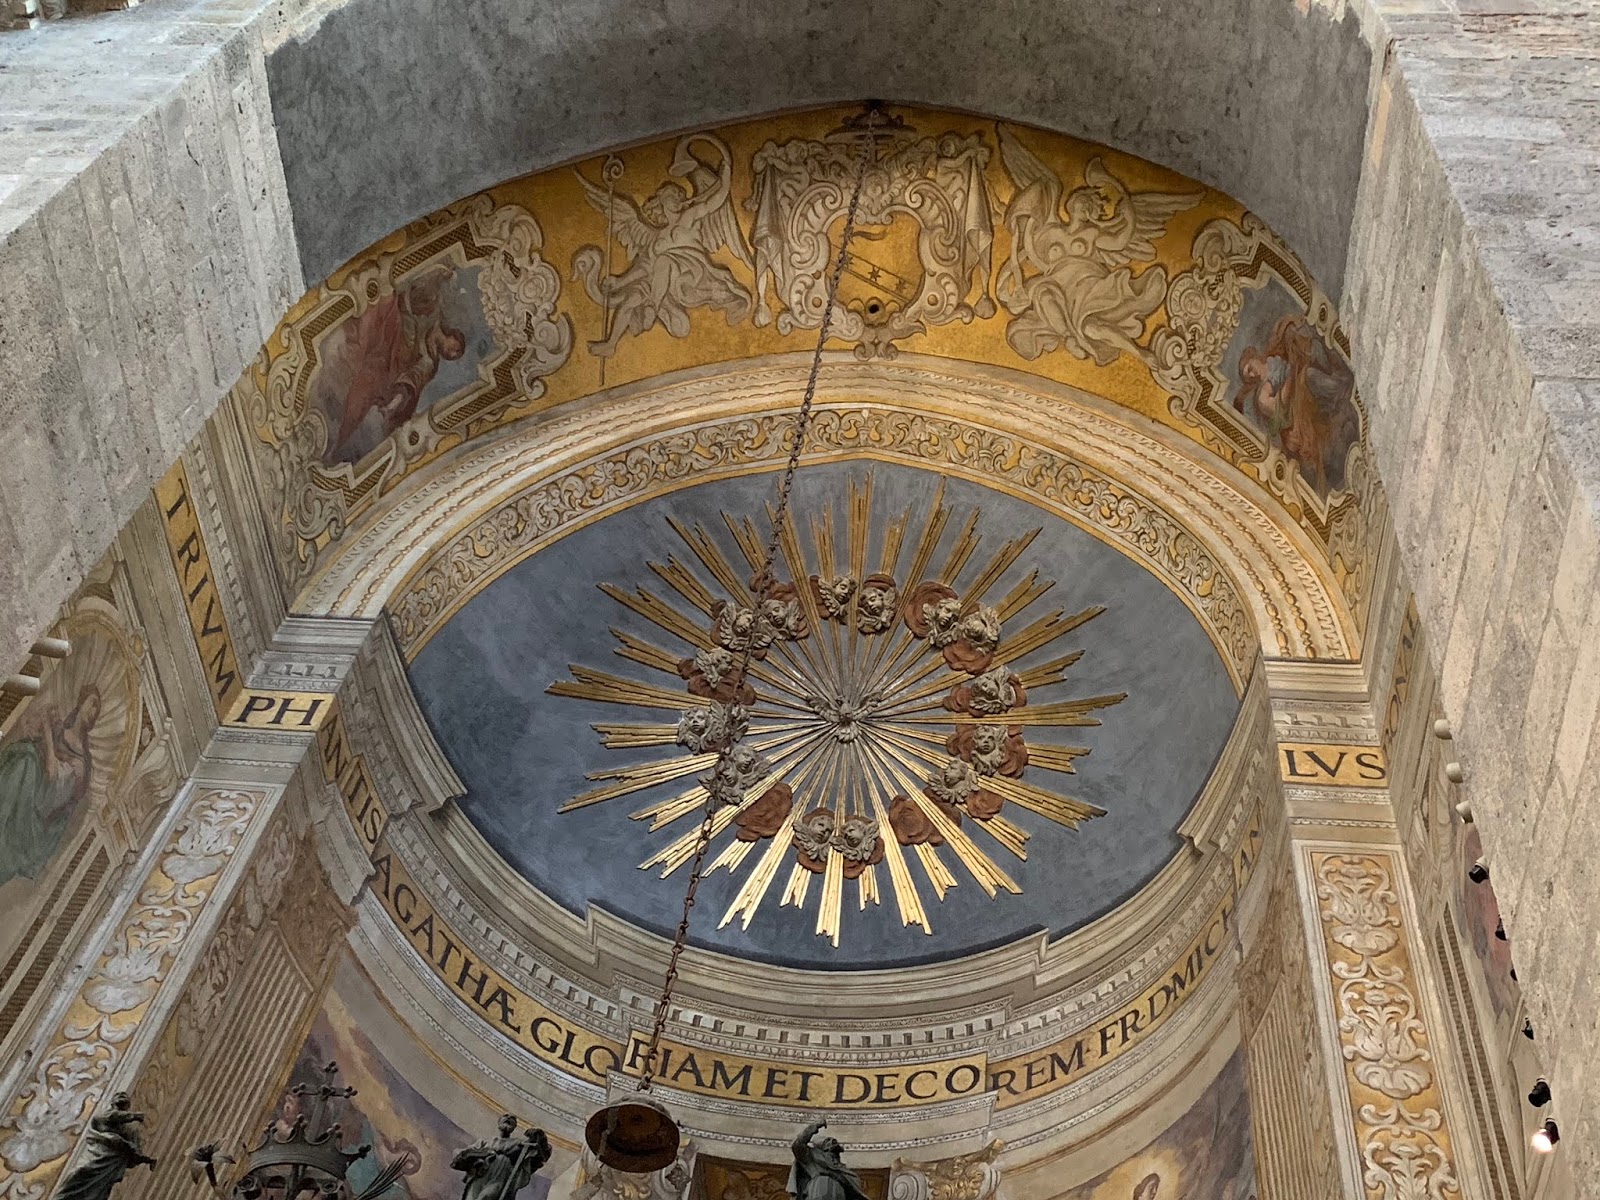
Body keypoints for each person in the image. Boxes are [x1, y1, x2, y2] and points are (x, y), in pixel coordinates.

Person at [0, 684, 101, 887]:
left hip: (39, 807)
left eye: (97, 709)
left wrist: (46, 732)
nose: (94, 711)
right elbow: (33, 739)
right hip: (29, 783)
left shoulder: (83, 760)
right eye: (93, 704)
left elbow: (54, 776)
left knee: (27, 762)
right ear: (81, 702)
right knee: (25, 757)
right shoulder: (58, 730)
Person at [55, 1092, 157, 1200]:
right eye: (119, 1097)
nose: (121, 1100)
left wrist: (137, 1155)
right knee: (79, 1172)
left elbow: (134, 1150)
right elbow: (109, 1117)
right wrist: (134, 1116)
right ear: (113, 1102)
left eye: (124, 1099)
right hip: (98, 1151)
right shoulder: (104, 1115)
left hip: (113, 1161)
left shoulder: (131, 1129)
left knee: (100, 1189)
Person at [451, 1114, 550, 1200]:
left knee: (487, 1196)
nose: (509, 1118)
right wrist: (474, 1156)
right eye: (505, 1117)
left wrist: (539, 1136)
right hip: (482, 1173)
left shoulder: (519, 1143)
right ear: (498, 1123)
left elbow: (542, 1152)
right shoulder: (485, 1142)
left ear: (514, 1127)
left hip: (501, 1174)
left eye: (512, 1120)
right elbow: (462, 1153)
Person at [787, 1121, 868, 1200]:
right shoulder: (812, 1156)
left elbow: (854, 1190)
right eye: (828, 1140)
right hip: (819, 1188)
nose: (833, 1141)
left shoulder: (843, 1168)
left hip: (839, 1192)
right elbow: (797, 1145)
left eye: (833, 1140)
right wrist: (814, 1127)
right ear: (821, 1146)